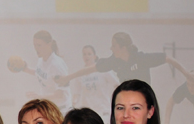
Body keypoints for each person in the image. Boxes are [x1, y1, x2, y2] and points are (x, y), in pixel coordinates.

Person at [56, 32, 186, 87]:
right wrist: (68, 78)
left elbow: (167, 58)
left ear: (123, 47)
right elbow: (90, 69)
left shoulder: (141, 58)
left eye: (114, 46)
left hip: (143, 96)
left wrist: (187, 74)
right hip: (127, 97)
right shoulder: (114, 61)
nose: (111, 48)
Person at [20, 30, 71, 113]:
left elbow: (60, 94)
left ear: (49, 44)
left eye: (39, 45)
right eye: (35, 45)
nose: (36, 48)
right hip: (49, 108)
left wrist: (40, 97)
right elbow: (42, 74)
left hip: (61, 111)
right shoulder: (41, 60)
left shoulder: (57, 65)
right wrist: (26, 69)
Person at [70, 45, 119, 124]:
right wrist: (73, 105)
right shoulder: (80, 74)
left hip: (103, 110)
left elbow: (116, 84)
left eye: (89, 54)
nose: (86, 56)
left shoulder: (103, 70)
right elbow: (76, 93)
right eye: (84, 54)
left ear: (94, 56)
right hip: (88, 113)